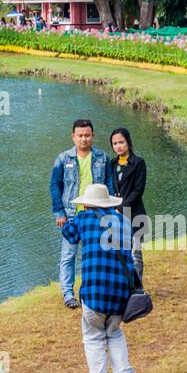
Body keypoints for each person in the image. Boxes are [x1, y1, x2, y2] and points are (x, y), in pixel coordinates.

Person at [60, 183, 137, 373]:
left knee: (93, 336)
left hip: (94, 292)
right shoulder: (124, 221)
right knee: (114, 332)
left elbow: (68, 233)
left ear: (87, 204)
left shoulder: (83, 219)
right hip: (121, 291)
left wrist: (78, 214)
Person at [51, 119, 110, 308]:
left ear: (93, 136)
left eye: (87, 135)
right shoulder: (63, 159)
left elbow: (109, 185)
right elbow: (55, 185)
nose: (83, 139)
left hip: (96, 214)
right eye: (80, 136)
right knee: (68, 255)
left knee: (92, 255)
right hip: (71, 215)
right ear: (73, 137)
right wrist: (59, 212)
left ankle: (88, 292)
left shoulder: (102, 158)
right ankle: (68, 294)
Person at [107, 127, 148, 278]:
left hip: (135, 213)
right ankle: (123, 286)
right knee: (118, 254)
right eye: (115, 143)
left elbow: (138, 190)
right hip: (115, 216)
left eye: (121, 142)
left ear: (128, 142)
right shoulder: (111, 164)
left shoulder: (138, 163)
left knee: (135, 253)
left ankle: (137, 287)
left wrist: (121, 208)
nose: (118, 146)